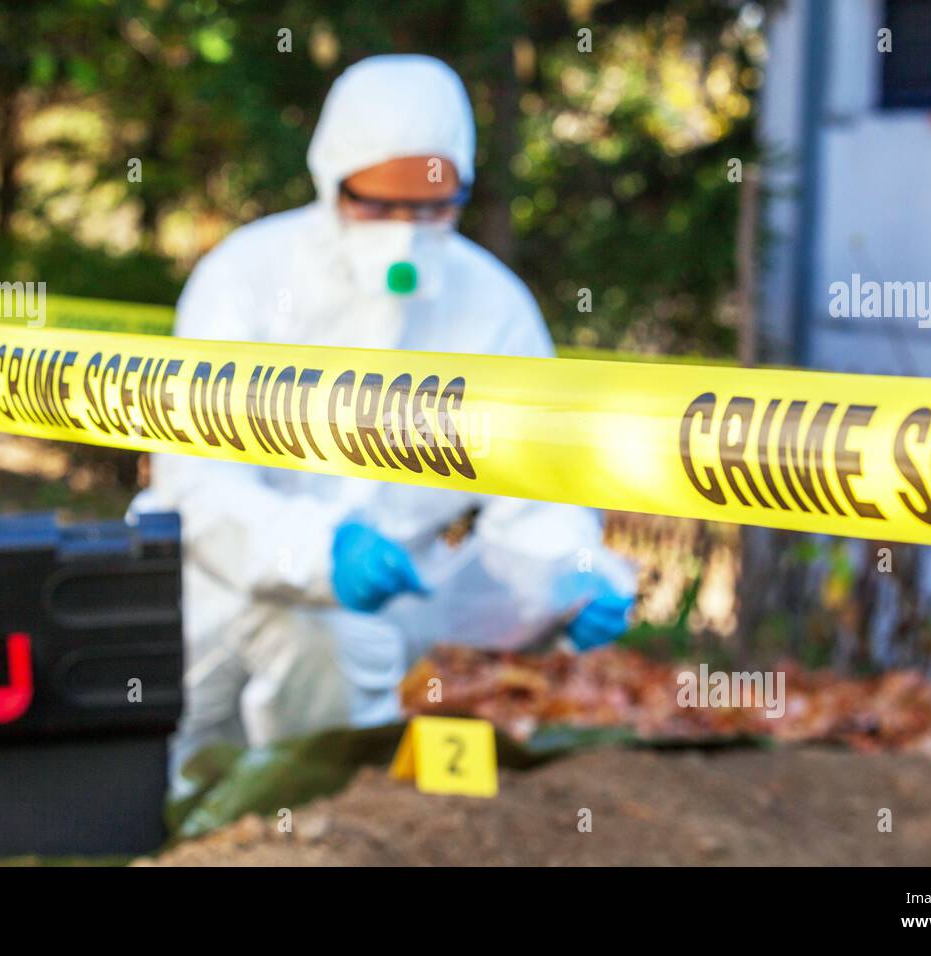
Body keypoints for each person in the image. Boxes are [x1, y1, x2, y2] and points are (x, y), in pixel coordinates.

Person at [130, 54, 636, 779]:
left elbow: (532, 493)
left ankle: (331, 830)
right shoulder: (245, 278)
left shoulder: (491, 306)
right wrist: (314, 550)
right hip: (219, 601)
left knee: (348, 746)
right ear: (333, 176)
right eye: (377, 205)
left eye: (431, 208)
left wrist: (575, 574)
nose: (404, 232)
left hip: (392, 611)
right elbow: (198, 485)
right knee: (173, 773)